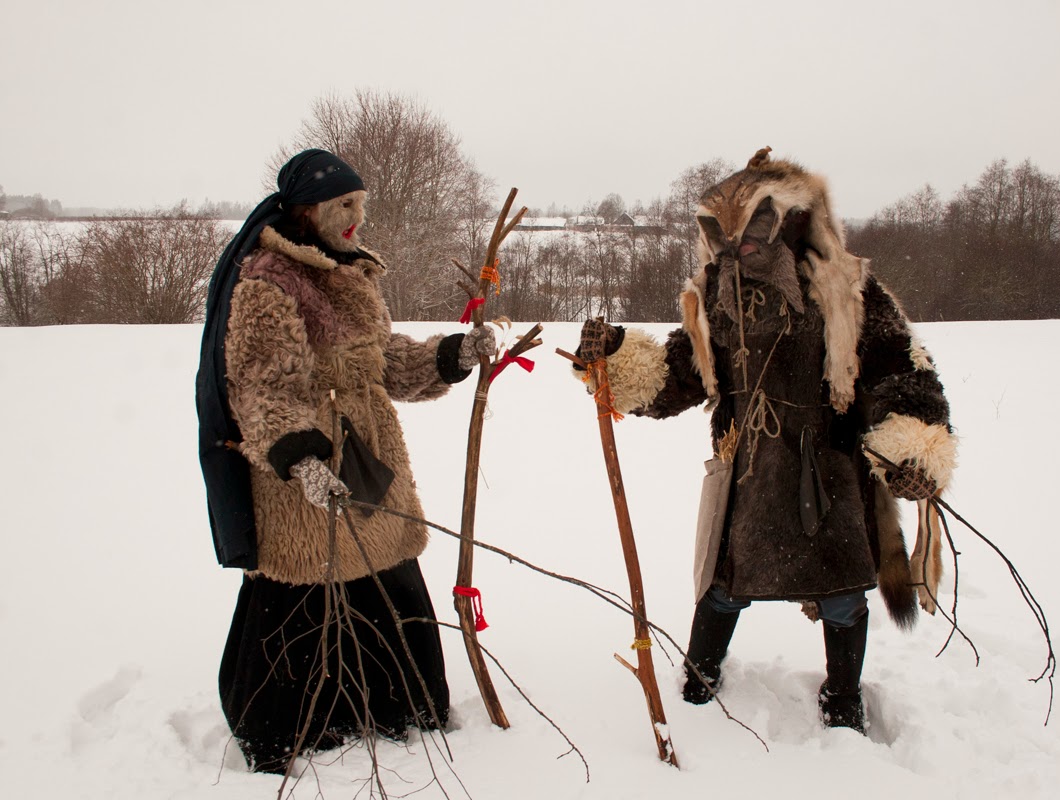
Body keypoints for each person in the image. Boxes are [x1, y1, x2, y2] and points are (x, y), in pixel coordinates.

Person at [573, 148, 956, 733]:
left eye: (751, 238)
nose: (739, 253)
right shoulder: (716, 299)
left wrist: (910, 443)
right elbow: (680, 376)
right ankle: (699, 678)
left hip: (826, 469)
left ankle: (843, 697)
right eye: (726, 243)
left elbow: (899, 369)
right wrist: (617, 361)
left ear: (787, 225)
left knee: (840, 593)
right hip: (747, 469)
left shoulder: (844, 291)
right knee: (724, 587)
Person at [196, 149, 494, 772]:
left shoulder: (351, 271)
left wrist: (452, 356)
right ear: (307, 212)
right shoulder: (268, 282)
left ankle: (401, 708)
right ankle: (284, 728)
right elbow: (260, 386)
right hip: (303, 468)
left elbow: (383, 363)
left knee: (387, 573)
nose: (357, 219)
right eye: (344, 207)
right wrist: (301, 461)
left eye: (360, 206)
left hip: (369, 454)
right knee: (303, 587)